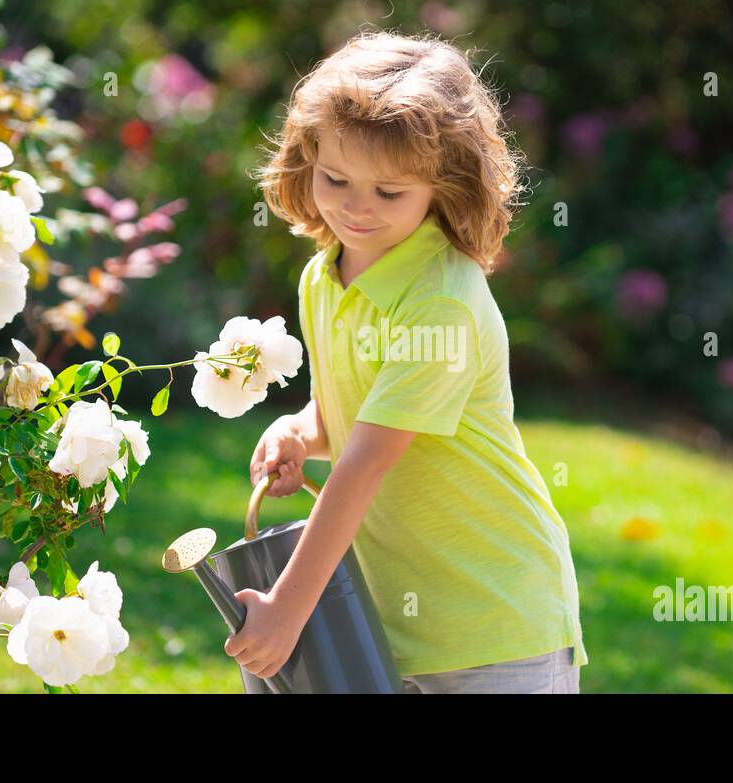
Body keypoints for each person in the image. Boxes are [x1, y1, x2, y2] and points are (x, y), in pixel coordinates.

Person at [227, 29, 587, 694]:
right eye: (335, 179)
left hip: (494, 621)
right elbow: (350, 411)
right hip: (390, 618)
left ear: (442, 184)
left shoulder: (440, 302)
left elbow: (366, 460)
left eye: (389, 192)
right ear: (309, 159)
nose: (357, 208)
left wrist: (288, 609)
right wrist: (301, 432)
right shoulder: (324, 277)